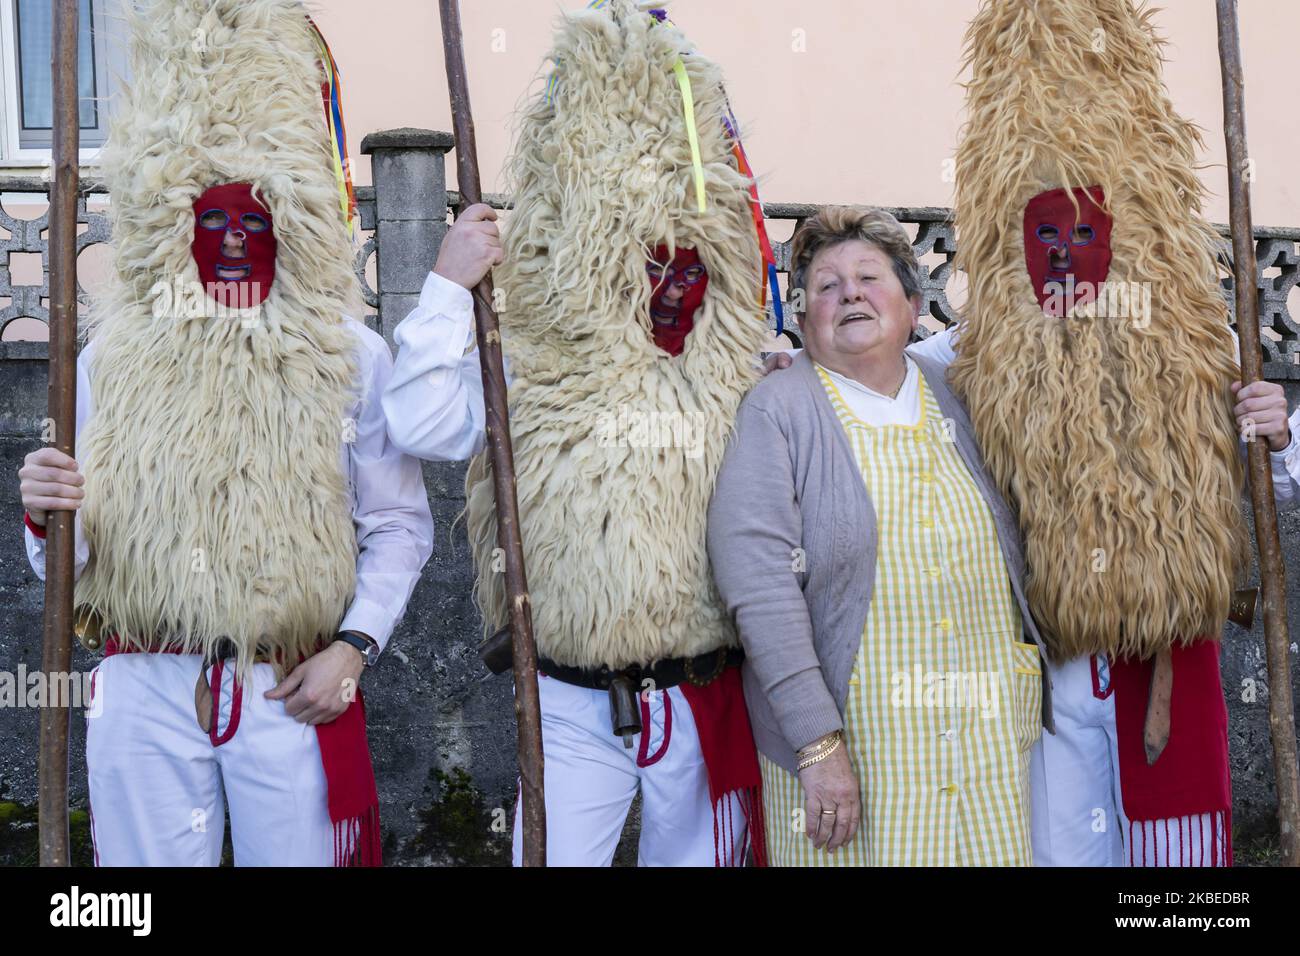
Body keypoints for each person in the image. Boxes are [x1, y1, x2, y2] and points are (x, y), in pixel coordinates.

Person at [17, 0, 433, 866]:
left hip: (289, 682)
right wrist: (46, 514)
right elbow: (71, 561)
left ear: (291, 225)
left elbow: (398, 524)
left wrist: (353, 649)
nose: (236, 239)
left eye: (255, 219)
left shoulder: (347, 355)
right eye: (212, 219)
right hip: (142, 682)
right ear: (174, 228)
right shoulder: (111, 358)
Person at [382, 0, 781, 866]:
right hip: (565, 699)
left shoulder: (738, 371)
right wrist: (449, 289)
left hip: (706, 694)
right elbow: (421, 425)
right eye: (644, 264)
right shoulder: (532, 359)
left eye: (687, 265)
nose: (670, 287)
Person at [911, 0, 1300, 866]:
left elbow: (1265, 475)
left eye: (1084, 233)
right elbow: (870, 387)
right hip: (1048, 668)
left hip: (1169, 655)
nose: (1060, 253)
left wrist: (1275, 433)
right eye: (1042, 232)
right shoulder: (967, 355)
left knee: (1177, 878)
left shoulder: (1197, 339)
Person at [706, 206, 1050, 866]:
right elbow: (758, 585)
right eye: (827, 286)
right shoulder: (777, 410)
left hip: (985, 748)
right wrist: (817, 742)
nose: (850, 294)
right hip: (857, 751)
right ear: (803, 317)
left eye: (869, 276)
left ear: (914, 304)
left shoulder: (963, 395)